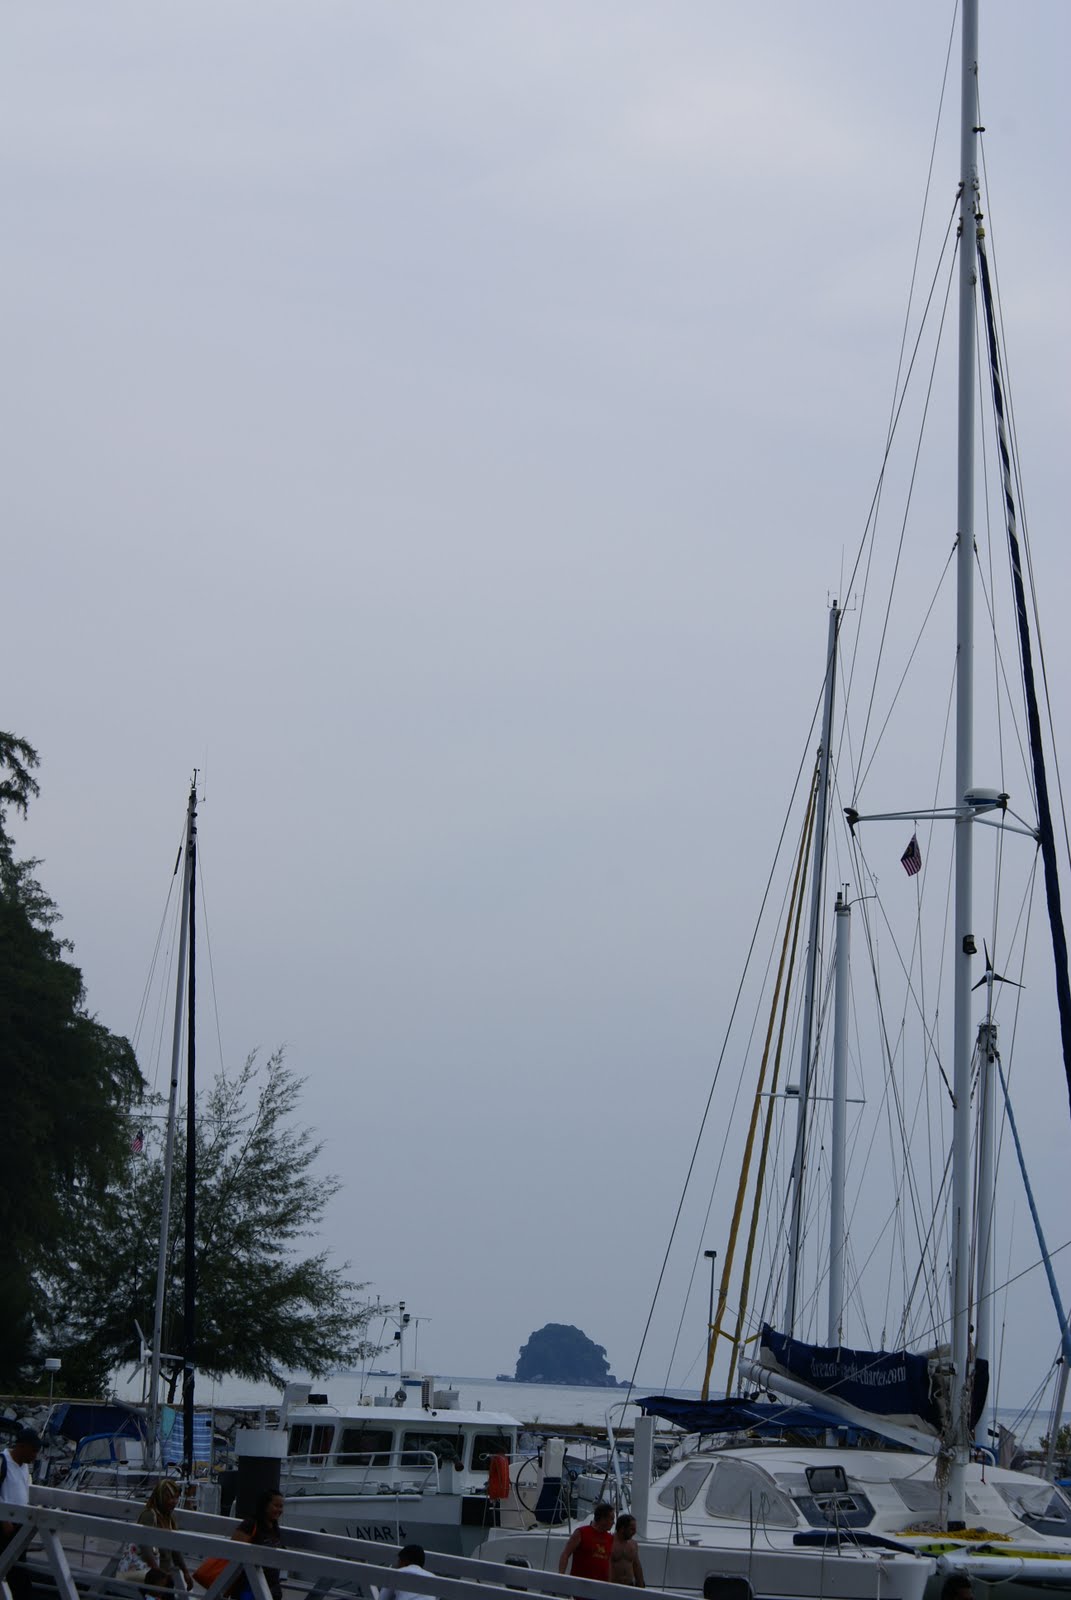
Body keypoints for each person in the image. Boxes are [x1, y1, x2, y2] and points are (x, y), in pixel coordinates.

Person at [231, 1489, 285, 1600]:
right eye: (276, 1506)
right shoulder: (250, 1524)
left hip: (271, 1586)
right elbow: (234, 1552)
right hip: (250, 1585)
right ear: (265, 1506)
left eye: (281, 1506)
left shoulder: (274, 1528)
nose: (279, 1510)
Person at [137, 1479, 192, 1586]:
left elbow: (175, 1550)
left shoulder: (169, 1519)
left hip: (164, 1574)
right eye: (170, 1497)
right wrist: (158, 1573)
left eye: (176, 1498)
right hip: (149, 1576)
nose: (174, 1501)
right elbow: (145, 1547)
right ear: (160, 1497)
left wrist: (185, 1571)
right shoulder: (149, 1516)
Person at [558, 1503, 614, 1585]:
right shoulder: (581, 1533)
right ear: (603, 1519)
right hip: (580, 1584)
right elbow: (565, 1554)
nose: (613, 1522)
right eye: (611, 1519)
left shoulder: (610, 1538)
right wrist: (560, 1576)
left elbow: (609, 1563)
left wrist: (610, 1584)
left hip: (601, 1586)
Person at [609, 1514, 644, 1587]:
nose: (635, 1532)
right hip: (612, 1586)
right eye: (632, 1529)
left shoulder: (633, 1544)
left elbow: (636, 1566)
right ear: (622, 1529)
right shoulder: (609, 1543)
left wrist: (641, 1585)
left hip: (629, 1585)